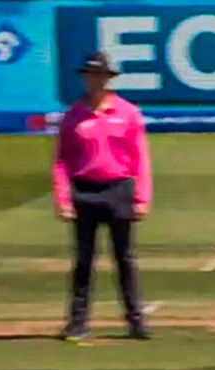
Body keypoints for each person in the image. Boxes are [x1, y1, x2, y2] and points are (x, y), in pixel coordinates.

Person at [52, 51, 152, 341]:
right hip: (85, 191)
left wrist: (142, 198)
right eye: (90, 75)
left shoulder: (127, 112)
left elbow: (140, 158)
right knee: (84, 260)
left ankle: (136, 321)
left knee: (125, 258)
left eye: (99, 76)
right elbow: (62, 161)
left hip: (119, 189)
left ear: (108, 79)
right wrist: (63, 199)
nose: (94, 81)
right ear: (84, 78)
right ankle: (78, 322)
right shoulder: (73, 115)